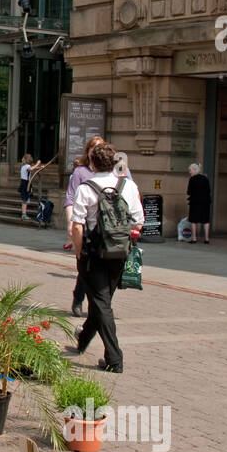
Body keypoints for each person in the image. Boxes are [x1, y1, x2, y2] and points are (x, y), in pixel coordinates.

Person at [68, 143, 144, 374]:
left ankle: (114, 358)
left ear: (91, 163)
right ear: (114, 162)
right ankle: (82, 341)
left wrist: (79, 252)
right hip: (120, 253)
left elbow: (78, 227)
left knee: (102, 304)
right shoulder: (128, 186)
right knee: (101, 301)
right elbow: (138, 221)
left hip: (94, 253)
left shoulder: (86, 188)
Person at [64, 135, 107, 317]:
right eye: (93, 148)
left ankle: (98, 305)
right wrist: (70, 224)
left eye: (100, 147)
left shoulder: (111, 172)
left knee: (103, 269)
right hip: (86, 228)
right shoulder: (80, 173)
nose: (96, 151)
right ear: (88, 151)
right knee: (85, 267)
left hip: (106, 229)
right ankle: (79, 299)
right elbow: (70, 198)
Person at [187, 163, 211, 244]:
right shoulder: (205, 178)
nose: (189, 172)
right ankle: (207, 239)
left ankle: (194, 238)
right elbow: (208, 190)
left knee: (194, 220)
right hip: (205, 202)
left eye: (190, 170)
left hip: (195, 202)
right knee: (205, 220)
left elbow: (189, 192)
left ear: (194, 170)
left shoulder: (192, 179)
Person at [20, 153, 43, 219]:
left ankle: (24, 214)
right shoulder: (27, 166)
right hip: (25, 184)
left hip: (24, 183)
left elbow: (32, 168)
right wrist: (38, 164)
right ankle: (24, 215)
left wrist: (39, 167)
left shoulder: (24, 166)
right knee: (25, 200)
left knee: (25, 200)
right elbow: (31, 169)